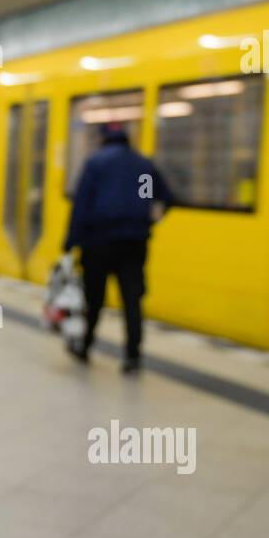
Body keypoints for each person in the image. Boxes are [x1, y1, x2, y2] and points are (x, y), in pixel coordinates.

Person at [63, 125, 173, 374]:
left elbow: (81, 204)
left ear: (104, 140)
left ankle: (85, 345)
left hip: (98, 243)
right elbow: (163, 198)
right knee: (132, 300)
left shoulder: (96, 164)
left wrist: (70, 241)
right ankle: (132, 356)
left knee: (94, 298)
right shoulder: (143, 166)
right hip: (134, 243)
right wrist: (149, 219)